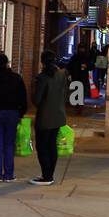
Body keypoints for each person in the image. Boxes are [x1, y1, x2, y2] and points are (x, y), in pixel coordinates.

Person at [0, 53, 27, 182]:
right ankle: (9, 174)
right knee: (9, 144)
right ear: (7, 63)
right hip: (12, 113)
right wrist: (21, 113)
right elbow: (23, 98)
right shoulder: (16, 78)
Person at [31, 50, 68, 185]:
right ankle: (50, 174)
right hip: (58, 115)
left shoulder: (42, 77)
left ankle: (46, 176)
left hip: (45, 118)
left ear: (42, 61)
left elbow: (37, 99)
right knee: (52, 145)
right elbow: (65, 94)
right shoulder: (62, 75)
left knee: (42, 146)